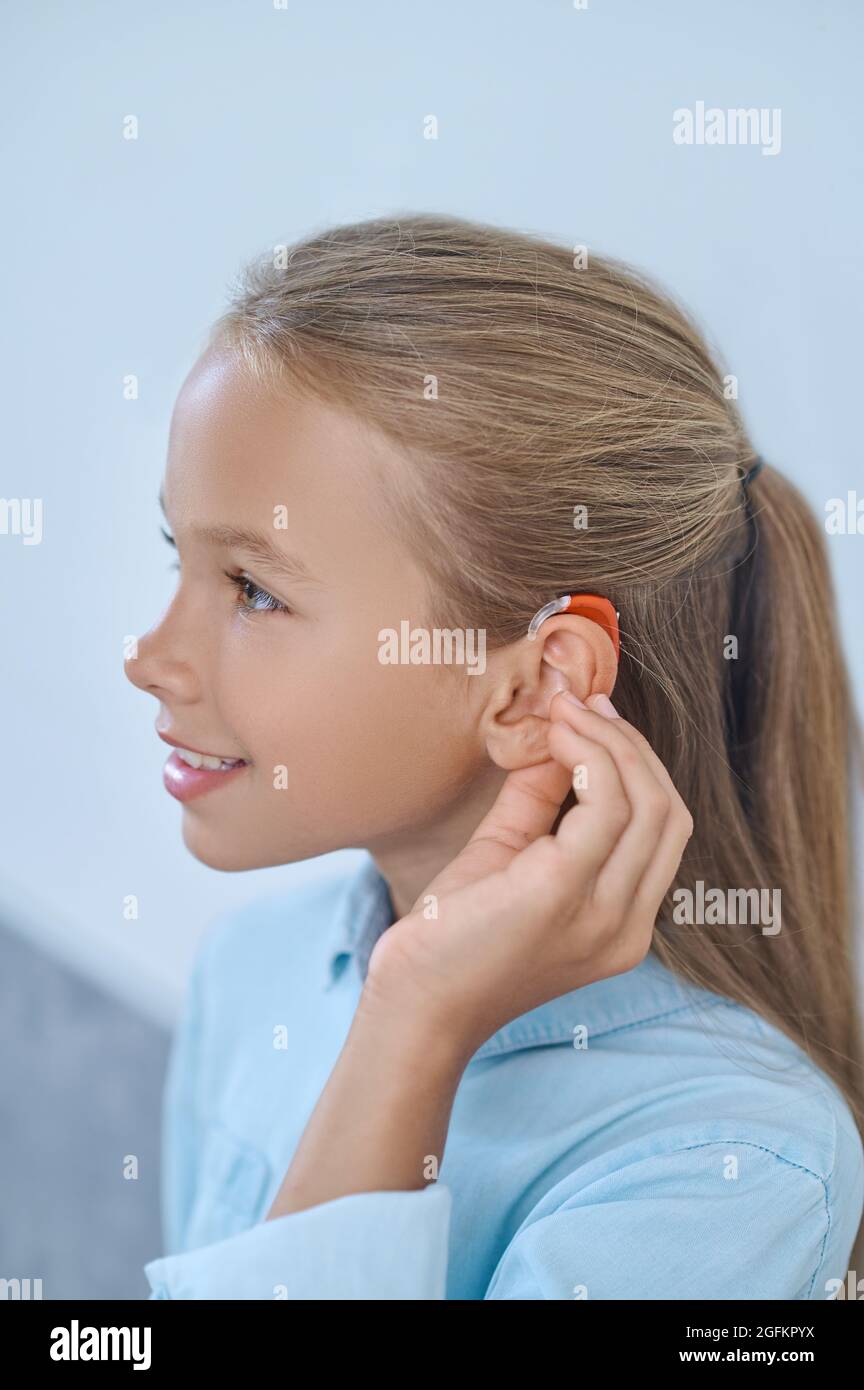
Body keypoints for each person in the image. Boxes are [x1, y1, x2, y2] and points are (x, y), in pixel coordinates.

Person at [126, 213, 864, 1299]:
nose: (150, 659)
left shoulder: (731, 1163)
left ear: (535, 687)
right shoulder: (258, 970)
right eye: (175, 554)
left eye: (253, 590)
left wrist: (415, 1026)